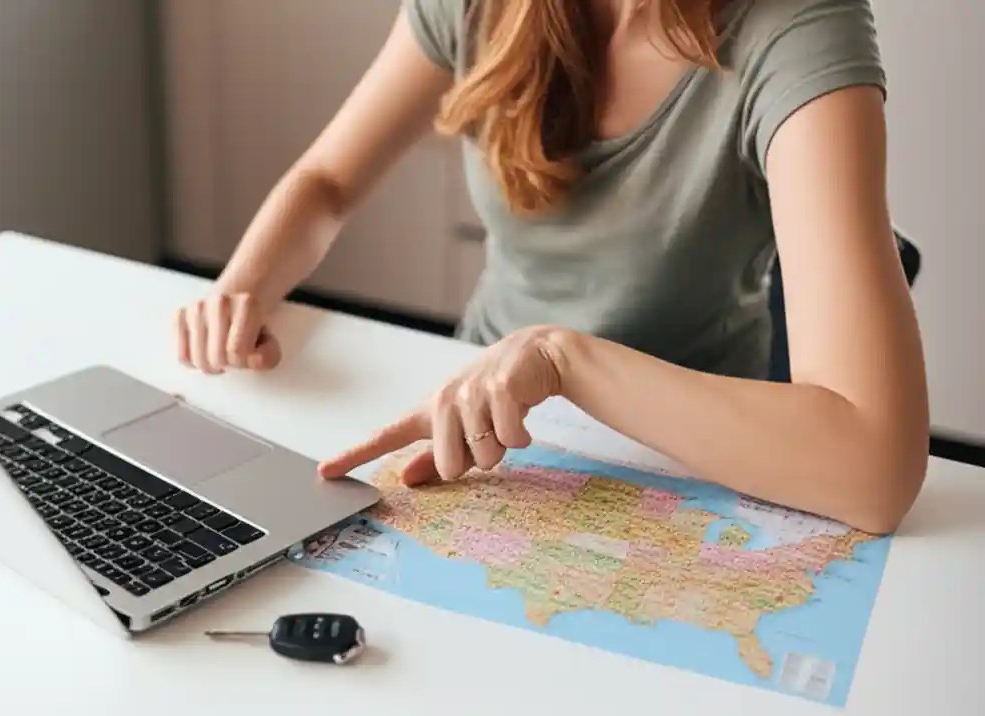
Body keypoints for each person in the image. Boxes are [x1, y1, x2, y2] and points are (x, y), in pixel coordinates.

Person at [173, 0, 928, 534]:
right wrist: (242, 286)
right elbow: (329, 182)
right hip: (477, 416)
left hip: (689, 457)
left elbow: (876, 471)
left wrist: (563, 359)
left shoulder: (799, 25)